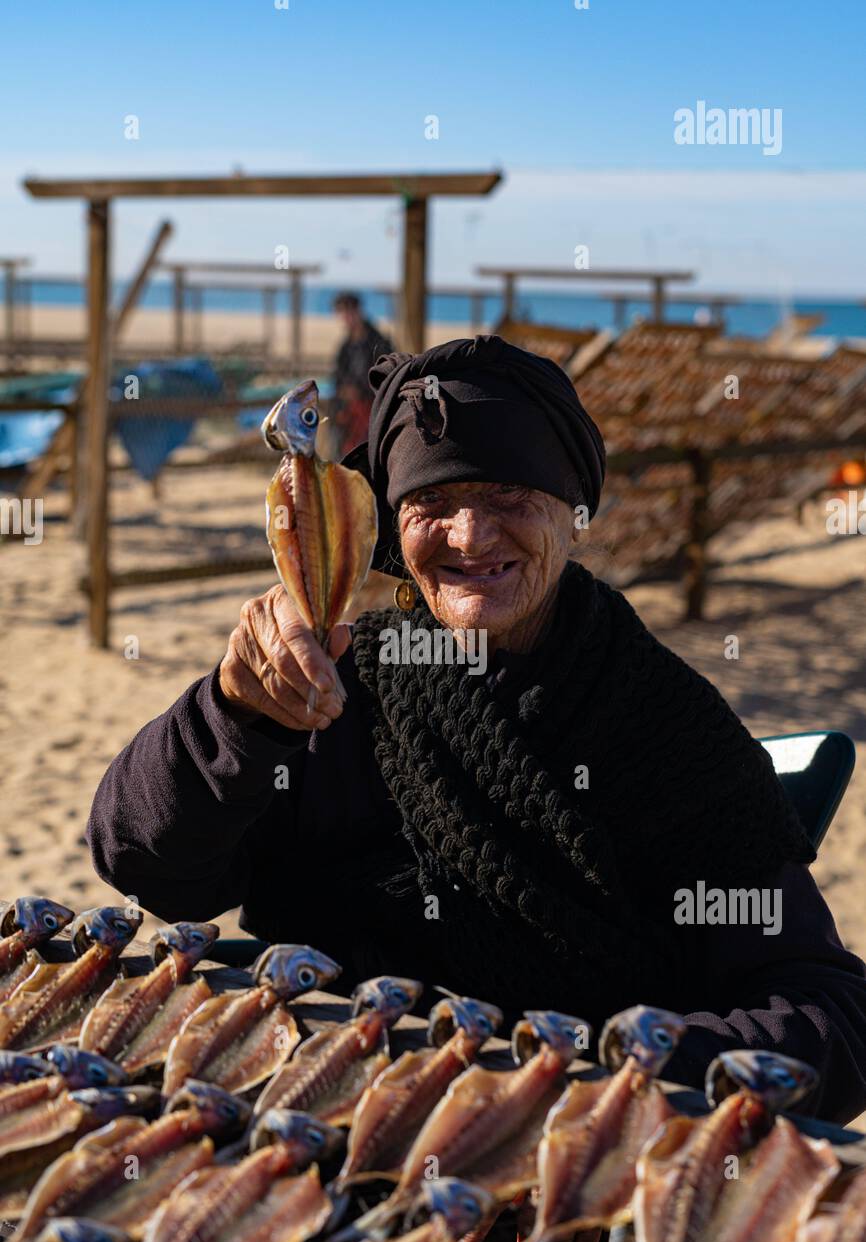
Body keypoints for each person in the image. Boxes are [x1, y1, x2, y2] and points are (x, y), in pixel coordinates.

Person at [88, 335, 866, 1124]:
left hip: (555, 1139)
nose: (469, 536)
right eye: (432, 503)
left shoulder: (667, 730)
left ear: (575, 515)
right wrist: (233, 716)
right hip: (306, 1107)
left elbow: (828, 1015)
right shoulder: (325, 678)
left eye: (508, 497)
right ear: (392, 523)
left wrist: (610, 1072)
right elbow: (144, 862)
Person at [331, 292, 393, 455]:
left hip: (373, 407)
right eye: (342, 313)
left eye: (348, 312)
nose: (345, 318)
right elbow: (337, 378)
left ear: (358, 311)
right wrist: (344, 393)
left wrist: (361, 391)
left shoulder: (379, 342)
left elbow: (388, 375)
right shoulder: (345, 347)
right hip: (348, 411)